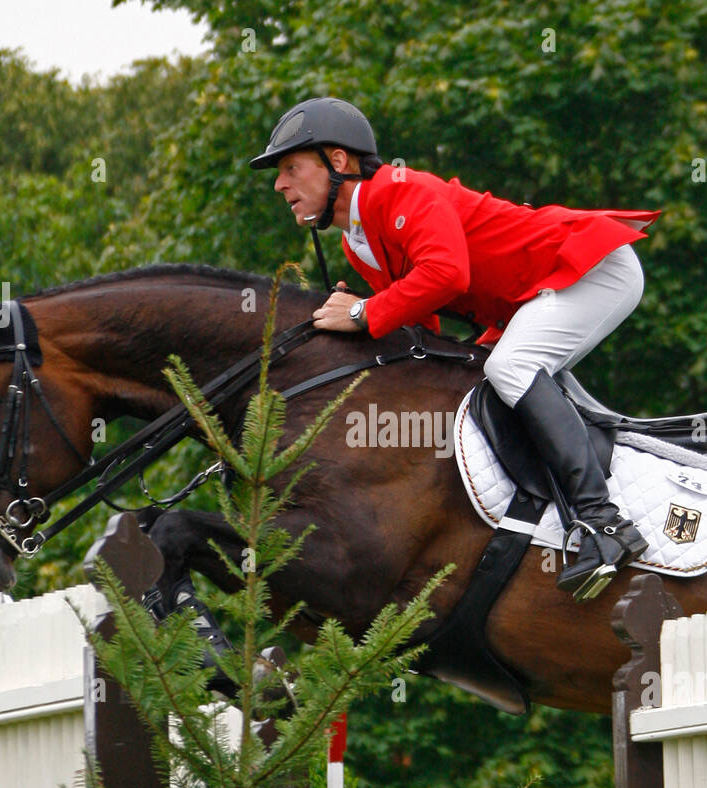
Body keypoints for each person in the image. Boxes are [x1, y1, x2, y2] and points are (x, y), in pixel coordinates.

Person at [249, 96, 659, 601]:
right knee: (487, 375)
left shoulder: (400, 192)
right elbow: (421, 323)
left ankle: (604, 522)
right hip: (538, 295)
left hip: (591, 268)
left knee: (512, 366)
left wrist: (361, 313)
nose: (279, 184)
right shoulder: (356, 241)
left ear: (338, 161)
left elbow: (446, 274)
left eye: (291, 168)